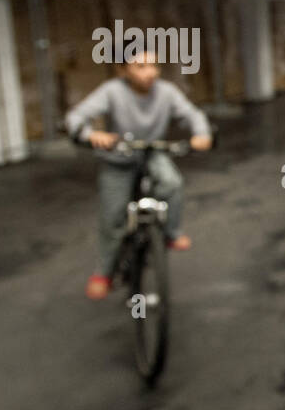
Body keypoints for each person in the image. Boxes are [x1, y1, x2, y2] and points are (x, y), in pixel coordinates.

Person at [64, 53, 213, 300]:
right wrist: (91, 135)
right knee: (113, 218)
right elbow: (75, 118)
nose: (150, 72)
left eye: (153, 65)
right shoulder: (112, 91)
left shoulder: (166, 91)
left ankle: (170, 233)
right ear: (123, 70)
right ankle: (104, 272)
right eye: (140, 66)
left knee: (172, 183)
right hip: (118, 159)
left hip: (152, 152)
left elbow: (193, 114)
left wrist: (201, 134)